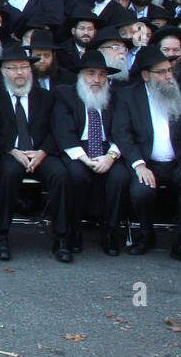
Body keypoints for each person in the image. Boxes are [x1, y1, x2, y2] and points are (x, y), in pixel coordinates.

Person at [0, 44, 70, 261]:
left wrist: (43, 151)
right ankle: (3, 235)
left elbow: (57, 129)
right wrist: (11, 150)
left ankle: (61, 237)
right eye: (13, 68)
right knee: (7, 174)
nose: (20, 73)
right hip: (9, 153)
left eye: (24, 67)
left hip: (42, 153)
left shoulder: (46, 97)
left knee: (61, 174)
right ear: (4, 71)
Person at [113, 46, 181, 264]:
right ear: (146, 75)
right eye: (162, 72)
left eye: (169, 70)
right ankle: (146, 234)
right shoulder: (128, 96)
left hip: (179, 162)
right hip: (147, 162)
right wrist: (138, 165)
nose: (169, 76)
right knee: (140, 192)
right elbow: (123, 133)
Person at [52, 50, 129, 256]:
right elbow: (63, 130)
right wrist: (86, 159)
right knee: (76, 176)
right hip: (77, 149)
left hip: (107, 149)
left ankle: (110, 231)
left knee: (120, 177)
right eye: (91, 73)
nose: (97, 79)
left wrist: (111, 157)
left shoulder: (116, 97)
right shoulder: (65, 94)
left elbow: (123, 130)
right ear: (80, 75)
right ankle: (73, 231)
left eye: (102, 74)